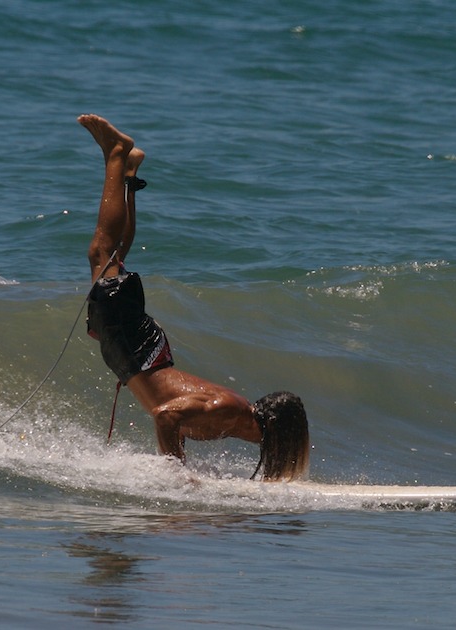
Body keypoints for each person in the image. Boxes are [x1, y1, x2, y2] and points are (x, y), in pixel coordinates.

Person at [78, 114, 310, 481]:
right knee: (101, 252)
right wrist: (179, 478)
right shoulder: (230, 412)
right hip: (138, 351)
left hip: (140, 355)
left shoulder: (233, 417)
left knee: (113, 256)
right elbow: (166, 415)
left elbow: (174, 417)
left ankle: (128, 177)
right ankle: (117, 153)